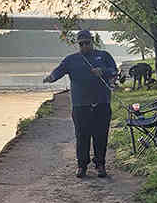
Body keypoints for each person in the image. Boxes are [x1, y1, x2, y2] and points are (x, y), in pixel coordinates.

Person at [43, 30, 118, 178]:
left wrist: (103, 71)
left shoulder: (104, 56)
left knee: (101, 135)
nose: (84, 46)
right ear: (78, 44)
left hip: (101, 103)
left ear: (92, 41)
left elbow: (114, 71)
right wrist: (51, 77)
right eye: (81, 44)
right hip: (80, 105)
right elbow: (59, 71)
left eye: (87, 43)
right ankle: (82, 165)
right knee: (82, 136)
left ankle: (100, 164)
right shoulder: (71, 59)